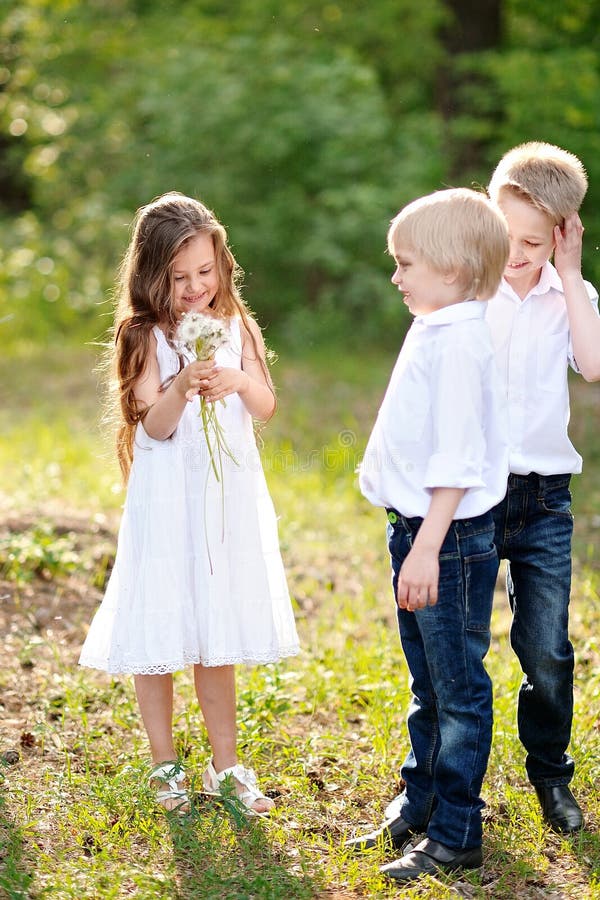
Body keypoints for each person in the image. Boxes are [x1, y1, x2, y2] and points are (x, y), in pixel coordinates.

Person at [79, 192, 299, 816]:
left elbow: (265, 405)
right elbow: (153, 426)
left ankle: (226, 765)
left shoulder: (239, 327)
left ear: (221, 265)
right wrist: (181, 384)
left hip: (222, 501)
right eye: (179, 278)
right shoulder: (144, 334)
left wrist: (236, 380)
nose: (196, 287)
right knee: (163, 623)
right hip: (168, 500)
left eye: (206, 272)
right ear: (153, 276)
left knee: (215, 632)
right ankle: (164, 762)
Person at [352, 188, 510, 882]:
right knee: (429, 682)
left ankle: (455, 832)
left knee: (457, 688)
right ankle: (419, 802)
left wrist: (425, 547)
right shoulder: (437, 323)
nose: (396, 276)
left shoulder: (460, 343)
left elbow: (458, 460)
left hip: (445, 541)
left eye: (405, 263)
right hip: (417, 532)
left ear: (451, 269)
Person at [485, 142, 600, 833]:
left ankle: (551, 777)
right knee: (454, 651)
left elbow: (592, 367)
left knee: (548, 648)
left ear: (560, 234)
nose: (518, 252)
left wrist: (570, 270)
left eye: (535, 241)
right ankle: (435, 783)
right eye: (508, 237)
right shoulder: (469, 281)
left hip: (543, 498)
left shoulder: (572, 296)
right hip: (470, 495)